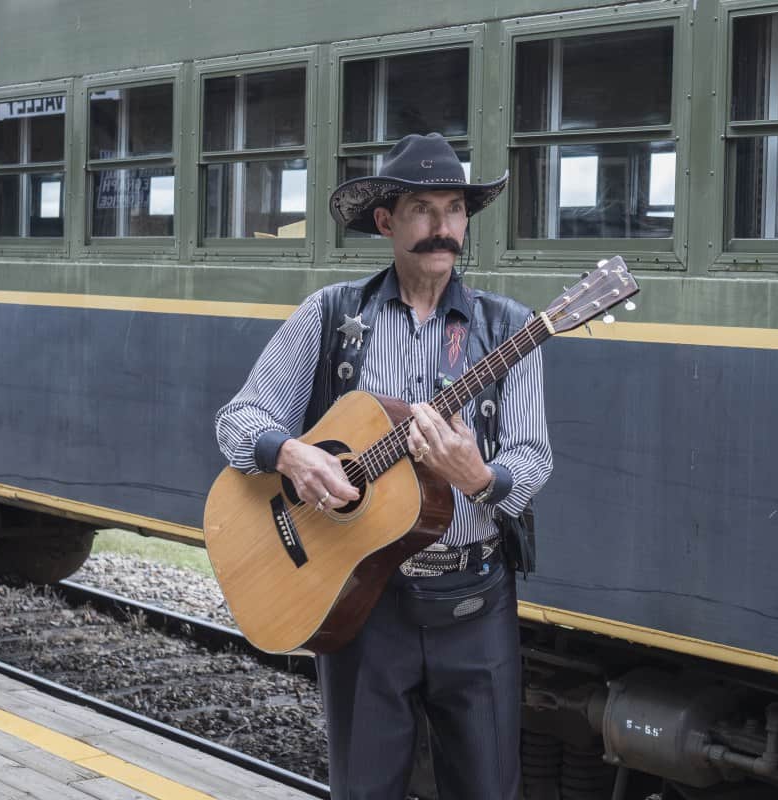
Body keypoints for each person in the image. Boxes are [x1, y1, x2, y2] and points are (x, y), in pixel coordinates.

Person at [214, 132, 553, 799]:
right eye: (422, 209)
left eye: (454, 209)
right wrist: (291, 454)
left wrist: (478, 478)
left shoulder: (509, 330)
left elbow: (531, 457)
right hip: (365, 599)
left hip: (474, 600)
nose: (441, 226)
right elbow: (239, 419)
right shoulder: (332, 314)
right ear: (385, 221)